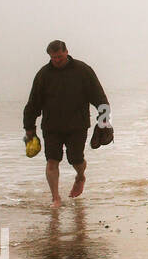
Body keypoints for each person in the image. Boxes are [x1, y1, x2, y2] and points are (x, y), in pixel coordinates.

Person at [22, 41, 110, 208]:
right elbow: (33, 103)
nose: (57, 60)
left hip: (77, 125)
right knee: (52, 161)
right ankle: (55, 198)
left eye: (59, 57)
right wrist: (29, 128)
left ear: (67, 52)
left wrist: (104, 120)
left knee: (76, 159)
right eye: (53, 58)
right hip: (51, 127)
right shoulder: (44, 75)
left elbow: (99, 96)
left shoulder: (83, 70)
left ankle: (80, 176)